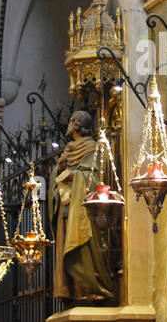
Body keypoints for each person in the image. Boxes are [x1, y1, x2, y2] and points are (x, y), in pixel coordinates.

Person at [49, 110, 116, 303]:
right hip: (66, 203)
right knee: (66, 245)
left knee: (84, 245)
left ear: (78, 125)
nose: (68, 125)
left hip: (84, 207)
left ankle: (91, 286)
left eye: (71, 121)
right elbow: (56, 178)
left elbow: (97, 178)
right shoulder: (68, 150)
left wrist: (74, 176)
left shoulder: (92, 147)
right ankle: (73, 289)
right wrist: (60, 170)